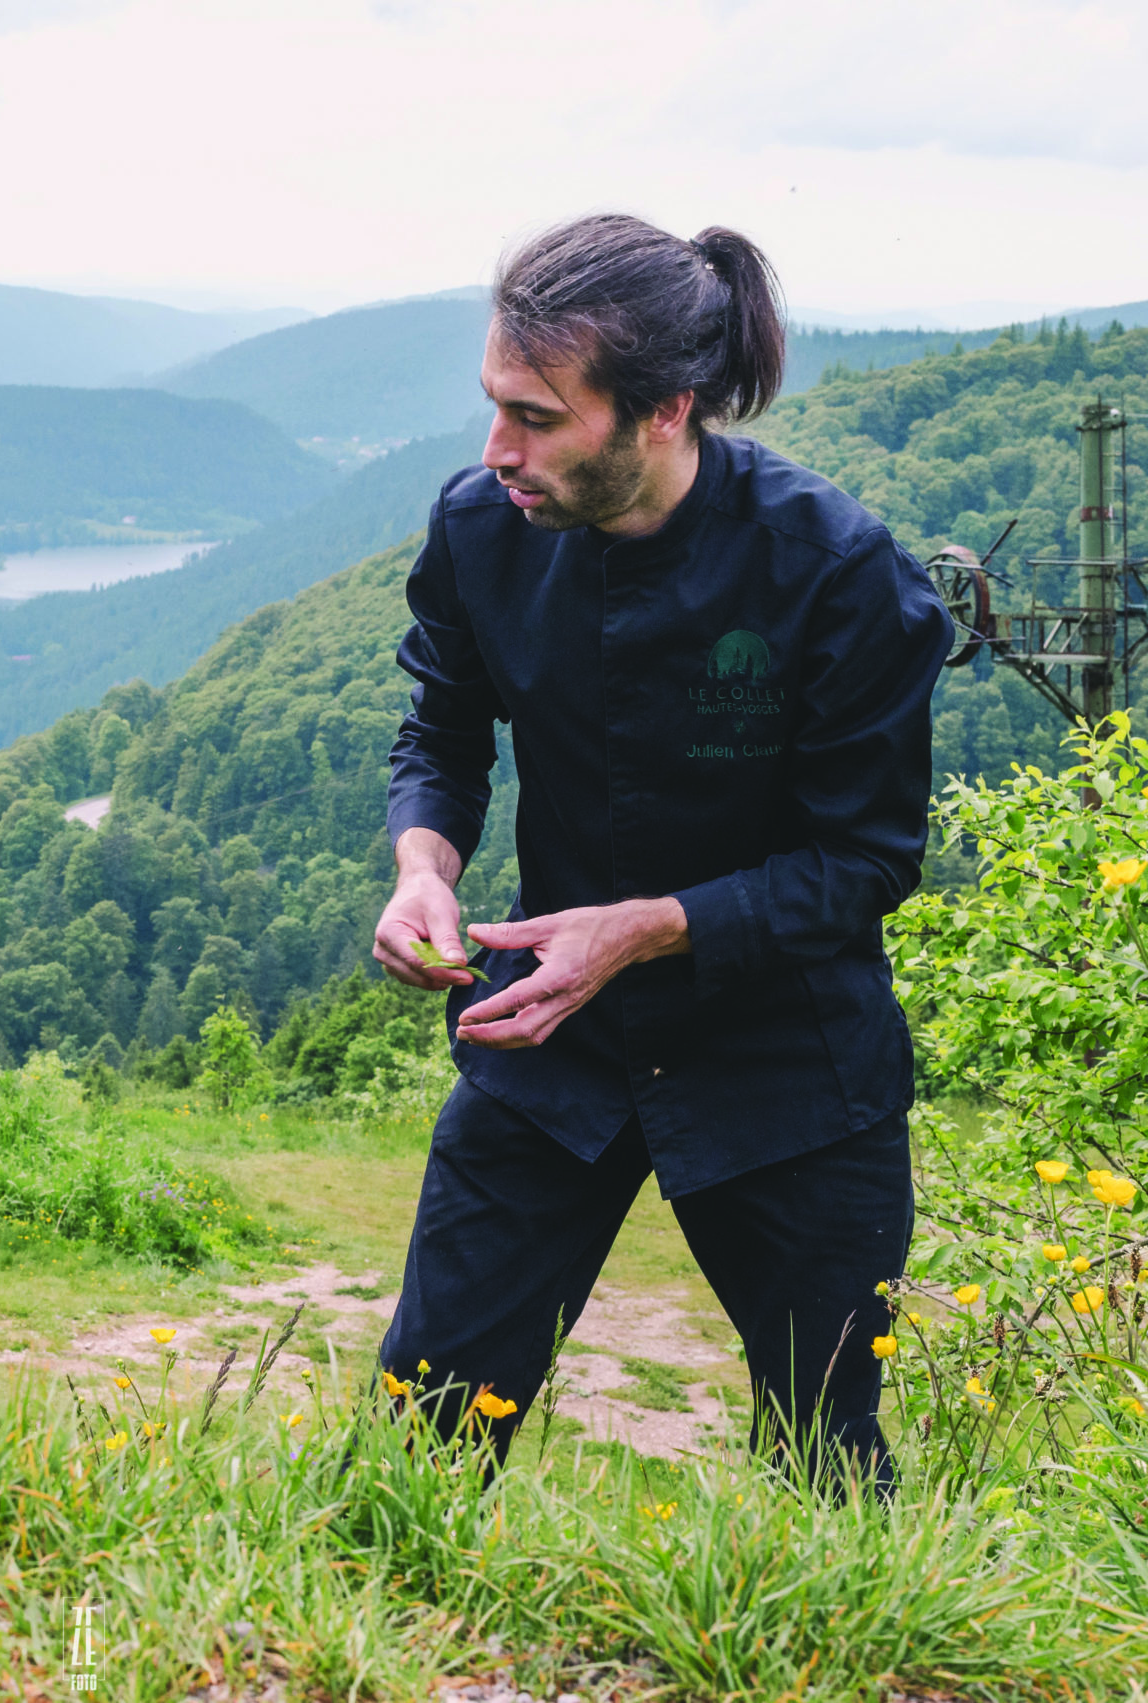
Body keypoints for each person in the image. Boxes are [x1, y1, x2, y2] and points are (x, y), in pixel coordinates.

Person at [372, 214, 951, 1491]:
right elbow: (444, 726)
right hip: (549, 1036)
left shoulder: (836, 572)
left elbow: (864, 862)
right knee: (424, 1429)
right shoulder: (478, 530)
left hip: (788, 1061)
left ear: (665, 410)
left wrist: (638, 928)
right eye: (493, 404)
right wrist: (425, 866)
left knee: (825, 1456)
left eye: (536, 417)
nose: (497, 449)